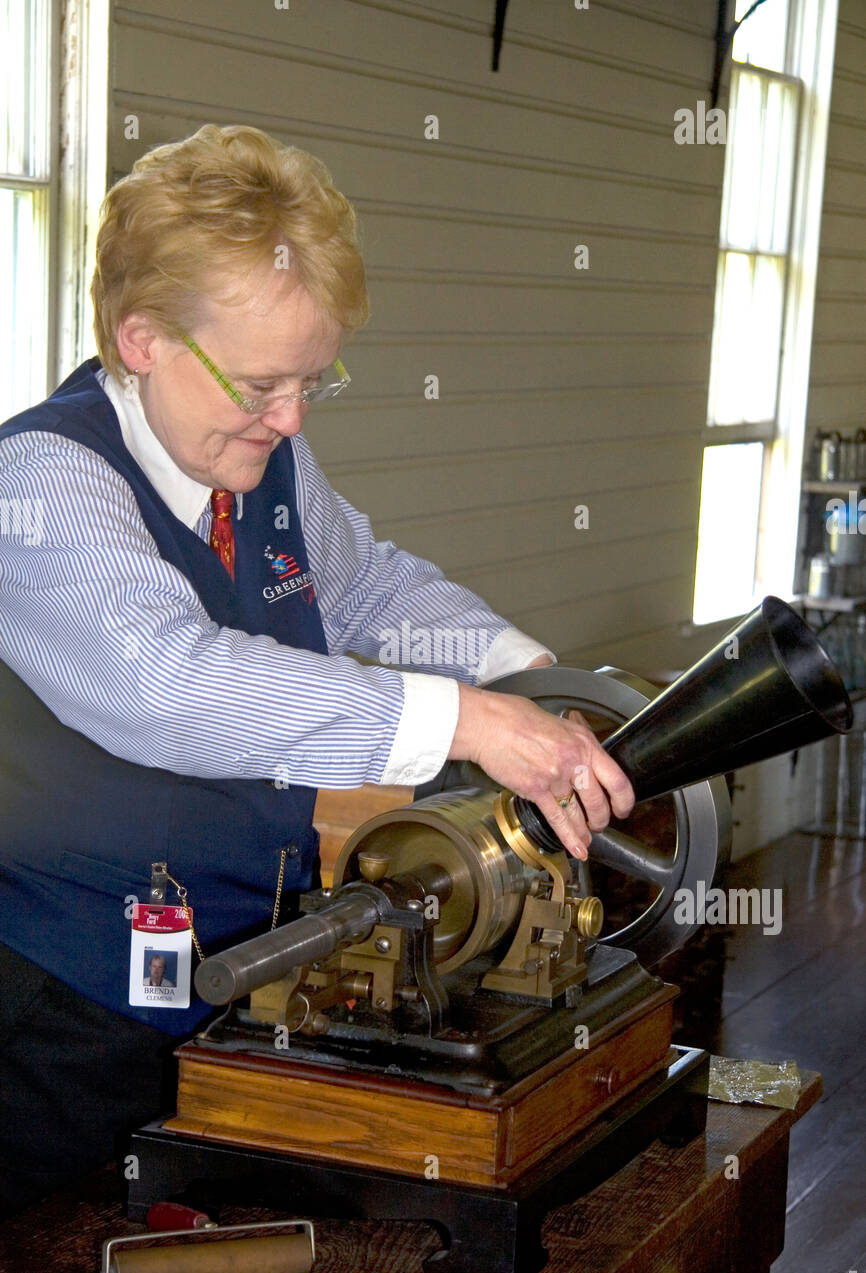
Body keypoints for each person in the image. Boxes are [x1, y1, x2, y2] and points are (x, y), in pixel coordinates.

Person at [0, 125, 633, 1216]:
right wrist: (462, 722)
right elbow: (167, 683)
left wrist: (530, 680)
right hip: (58, 1014)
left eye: (310, 379)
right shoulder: (43, 482)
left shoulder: (259, 453)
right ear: (140, 338)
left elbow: (372, 590)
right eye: (259, 384)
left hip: (241, 983)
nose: (289, 418)